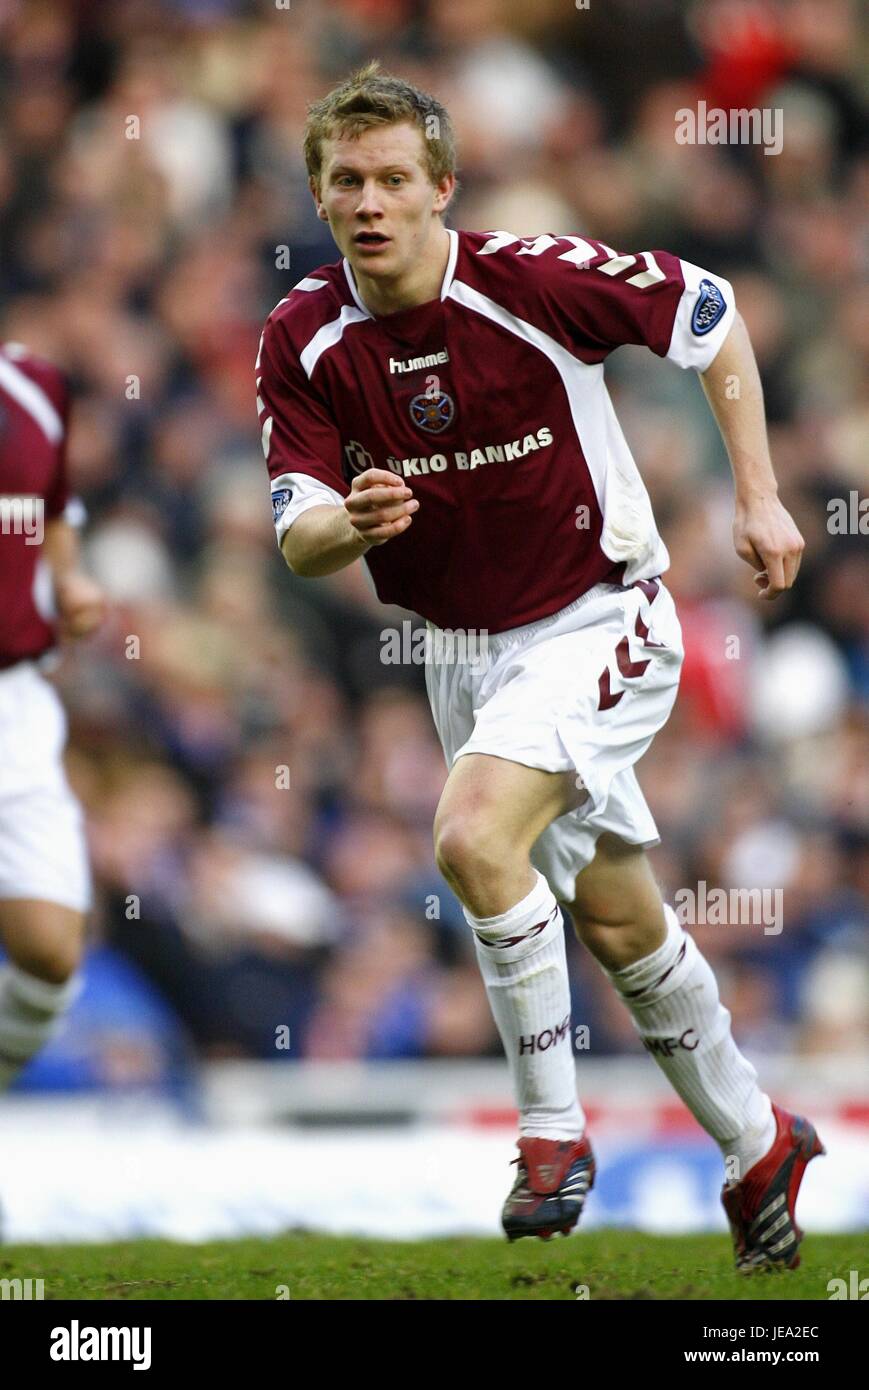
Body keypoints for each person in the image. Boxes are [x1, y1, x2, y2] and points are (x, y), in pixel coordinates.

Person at [255, 62, 823, 1269]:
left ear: (440, 189)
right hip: (461, 657)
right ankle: (759, 1139)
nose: (369, 200)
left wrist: (758, 498)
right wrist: (347, 524)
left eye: (393, 179)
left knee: (469, 837)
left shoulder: (526, 279)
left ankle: (550, 1133)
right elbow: (295, 536)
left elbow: (709, 309)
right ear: (318, 194)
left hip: (599, 615)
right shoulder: (302, 339)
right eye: (345, 179)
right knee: (618, 921)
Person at [0, 342, 105, 1094]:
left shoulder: (35, 384)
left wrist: (69, 581)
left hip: (17, 702)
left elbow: (53, 510)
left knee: (50, 949)